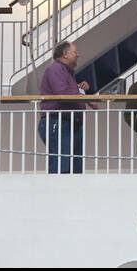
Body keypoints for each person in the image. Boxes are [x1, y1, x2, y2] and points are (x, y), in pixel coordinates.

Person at [38, 40, 92, 174]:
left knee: (72, 169)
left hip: (68, 123)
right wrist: (86, 98)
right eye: (75, 52)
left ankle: (66, 194)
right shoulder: (56, 69)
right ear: (65, 54)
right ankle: (57, 194)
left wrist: (82, 93)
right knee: (62, 168)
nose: (78, 55)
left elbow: (66, 92)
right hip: (59, 122)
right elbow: (62, 93)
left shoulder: (66, 72)